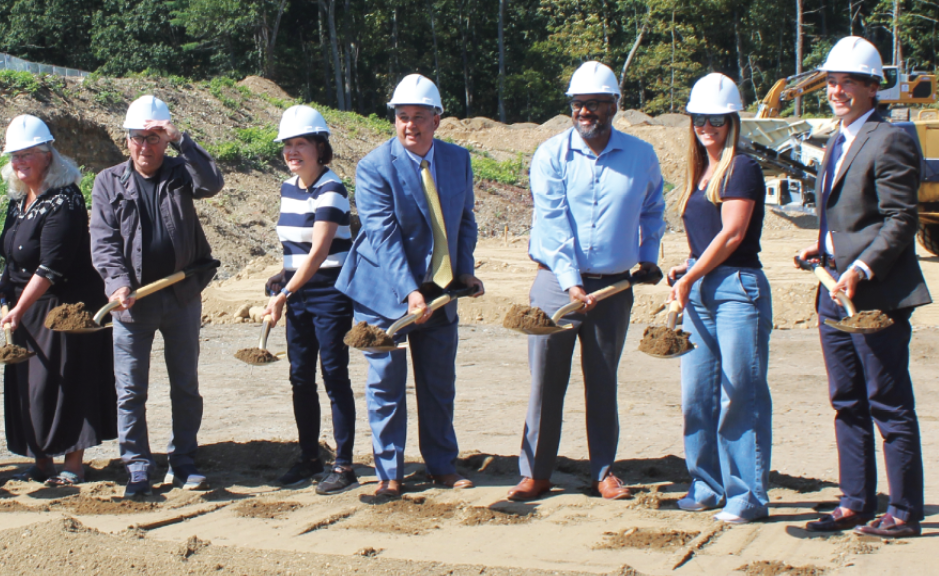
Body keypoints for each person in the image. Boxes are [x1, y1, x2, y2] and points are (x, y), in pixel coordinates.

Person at [795, 36, 931, 538]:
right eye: (831, 81)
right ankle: (854, 501)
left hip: (876, 295)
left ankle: (903, 511)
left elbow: (899, 220)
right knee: (846, 400)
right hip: (834, 291)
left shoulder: (890, 137)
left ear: (874, 87)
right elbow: (847, 217)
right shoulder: (838, 138)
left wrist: (862, 268)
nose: (836, 90)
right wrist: (824, 250)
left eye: (847, 82)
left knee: (888, 404)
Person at [513, 61, 665, 502]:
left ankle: (603, 472)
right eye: (579, 104)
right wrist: (571, 281)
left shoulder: (641, 156)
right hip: (555, 286)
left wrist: (647, 256)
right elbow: (554, 221)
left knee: (602, 379)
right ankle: (536, 472)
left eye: (596, 104)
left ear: (616, 105)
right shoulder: (550, 154)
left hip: (614, 288)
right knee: (545, 380)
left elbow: (654, 209)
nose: (586, 111)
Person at [336, 74, 484, 498]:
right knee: (385, 385)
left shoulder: (458, 160)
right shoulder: (375, 166)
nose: (410, 125)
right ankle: (389, 472)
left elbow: (464, 221)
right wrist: (409, 292)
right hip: (384, 295)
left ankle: (441, 465)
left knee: (438, 384)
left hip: (439, 290)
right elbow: (382, 235)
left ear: (437, 120)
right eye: (402, 117)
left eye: (419, 117)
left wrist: (465, 272)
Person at [91, 95, 224, 498]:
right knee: (131, 389)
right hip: (132, 303)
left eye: (154, 138)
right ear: (126, 139)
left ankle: (183, 460)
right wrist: (116, 283)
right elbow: (103, 240)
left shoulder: (182, 172)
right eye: (138, 138)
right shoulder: (108, 182)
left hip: (181, 294)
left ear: (164, 139)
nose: (145, 147)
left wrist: (183, 141)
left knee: (185, 383)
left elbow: (212, 183)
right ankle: (136, 466)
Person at [667, 74, 771, 524]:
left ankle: (746, 496)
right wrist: (687, 265)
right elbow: (707, 237)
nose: (705, 126)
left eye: (715, 119)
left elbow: (732, 234)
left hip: (737, 292)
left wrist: (692, 274)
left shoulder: (742, 168)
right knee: (697, 396)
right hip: (702, 290)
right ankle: (706, 484)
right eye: (698, 118)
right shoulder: (699, 172)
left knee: (739, 395)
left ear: (731, 121)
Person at [0, 115, 117, 487]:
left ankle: (73, 463)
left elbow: (51, 267)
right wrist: (3, 289)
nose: (20, 162)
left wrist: (19, 306)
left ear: (48, 154)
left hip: (63, 307)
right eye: (15, 156)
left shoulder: (65, 200)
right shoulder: (20, 200)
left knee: (65, 382)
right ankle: (42, 461)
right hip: (27, 306)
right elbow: (13, 254)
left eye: (28, 154)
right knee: (31, 385)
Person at [263, 106, 359, 495]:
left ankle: (345, 465)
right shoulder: (290, 187)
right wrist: (281, 277)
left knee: (334, 376)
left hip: (330, 294)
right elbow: (295, 247)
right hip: (299, 292)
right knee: (300, 376)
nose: (292, 151)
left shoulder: (331, 189)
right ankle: (308, 458)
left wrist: (285, 293)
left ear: (320, 147)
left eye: (300, 143)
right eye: (287, 145)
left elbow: (319, 253)